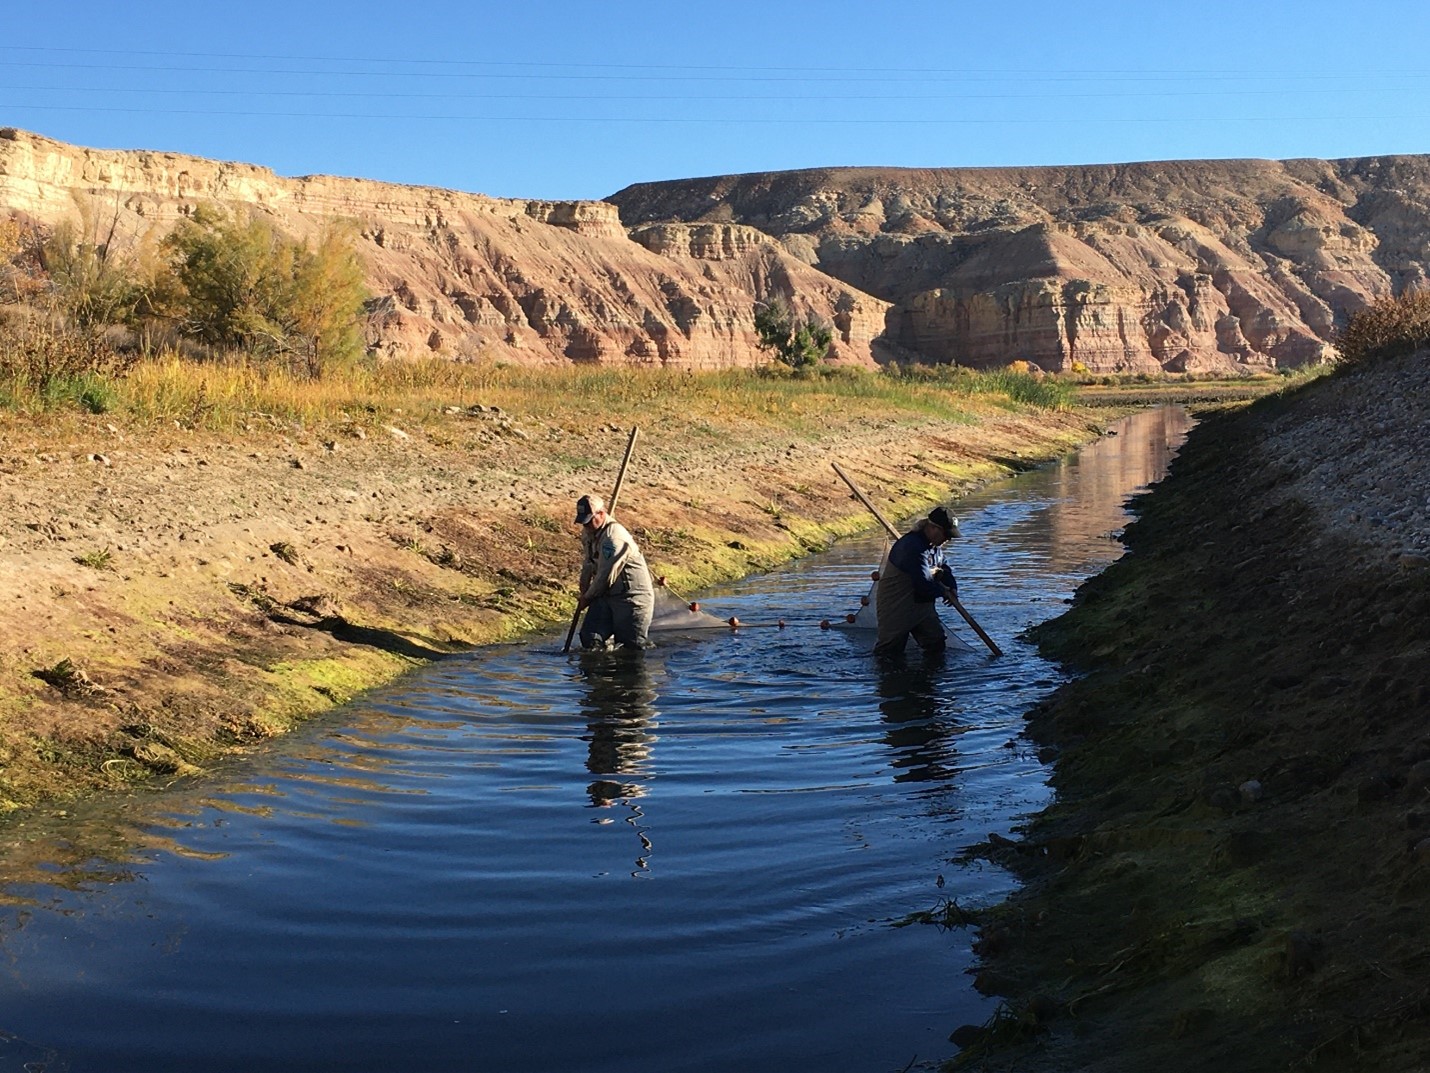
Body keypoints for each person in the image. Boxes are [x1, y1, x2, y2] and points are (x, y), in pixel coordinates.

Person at [873, 505, 959, 660]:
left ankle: (927, 680)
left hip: (922, 607)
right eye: (946, 534)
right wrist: (944, 593)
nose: (948, 539)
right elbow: (923, 585)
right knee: (889, 654)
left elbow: (943, 566)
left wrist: (952, 586)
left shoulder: (934, 546)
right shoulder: (912, 547)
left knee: (936, 644)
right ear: (933, 528)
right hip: (897, 607)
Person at [574, 493, 655, 650]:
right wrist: (583, 589)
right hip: (606, 596)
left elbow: (605, 576)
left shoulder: (614, 539)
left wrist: (588, 598)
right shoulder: (588, 533)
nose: (586, 526)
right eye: (584, 522)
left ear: (602, 514)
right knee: (590, 637)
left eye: (589, 521)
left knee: (631, 647)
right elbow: (588, 563)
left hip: (631, 599)